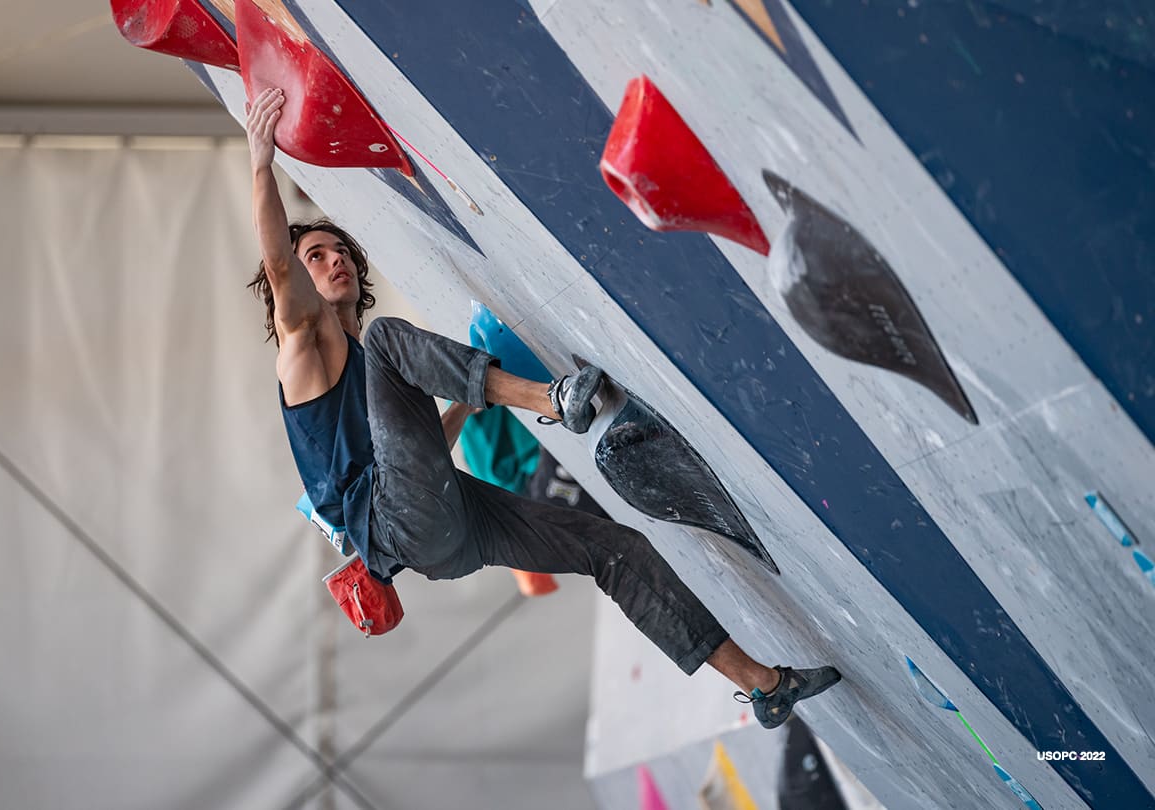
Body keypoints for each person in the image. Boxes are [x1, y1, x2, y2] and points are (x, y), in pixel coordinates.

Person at [244, 87, 840, 729]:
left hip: (442, 529)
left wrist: (469, 403)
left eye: (339, 253)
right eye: (318, 256)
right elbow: (279, 261)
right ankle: (553, 401)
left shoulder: (369, 364)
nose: (333, 260)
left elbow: (416, 453)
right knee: (391, 337)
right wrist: (259, 160)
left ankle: (764, 685)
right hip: (403, 521)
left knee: (612, 546)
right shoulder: (304, 348)